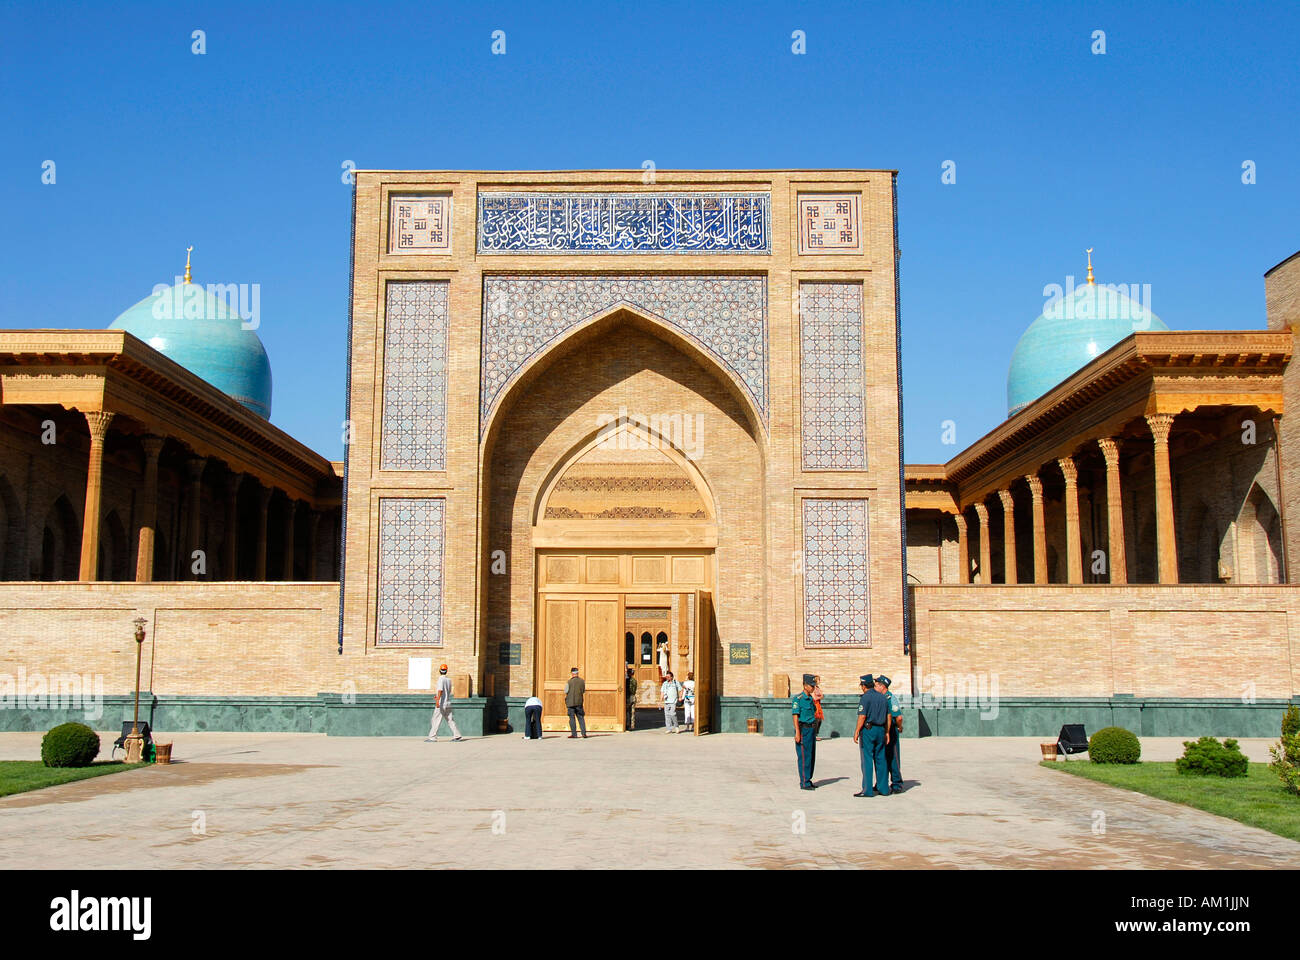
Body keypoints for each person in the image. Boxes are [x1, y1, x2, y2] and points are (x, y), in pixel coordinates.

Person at [853, 674, 890, 796]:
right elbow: (888, 716)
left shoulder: (865, 698)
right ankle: (884, 788)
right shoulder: (883, 697)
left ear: (863, 686)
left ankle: (867, 790)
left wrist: (857, 730)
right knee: (881, 759)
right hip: (881, 729)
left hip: (869, 730)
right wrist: (887, 731)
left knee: (867, 759)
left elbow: (862, 716)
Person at [877, 674, 903, 793]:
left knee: (893, 756)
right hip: (881, 730)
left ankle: (896, 783)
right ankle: (881, 782)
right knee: (881, 757)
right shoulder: (879, 697)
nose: (875, 686)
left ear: (883, 686)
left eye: (877, 684)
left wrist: (899, 727)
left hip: (891, 730)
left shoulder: (890, 698)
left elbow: (898, 717)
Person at [425, 664, 464, 742]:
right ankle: (457, 735)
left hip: (441, 703)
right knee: (450, 720)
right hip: (448, 702)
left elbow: (440, 690)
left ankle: (432, 737)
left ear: (440, 671)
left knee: (435, 719)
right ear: (446, 671)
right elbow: (446, 691)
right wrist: (438, 697)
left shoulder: (441, 679)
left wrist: (437, 700)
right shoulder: (448, 680)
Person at [791, 674, 818, 789]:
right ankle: (804, 781)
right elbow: (795, 716)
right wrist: (797, 732)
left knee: (811, 755)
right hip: (803, 729)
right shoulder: (798, 699)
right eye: (811, 686)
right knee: (804, 756)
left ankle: (808, 778)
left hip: (811, 729)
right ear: (805, 685)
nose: (813, 688)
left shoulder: (811, 699)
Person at [565, 667, 588, 739]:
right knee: (581, 718)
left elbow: (566, 691)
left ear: (572, 673)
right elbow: (583, 691)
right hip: (579, 702)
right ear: (577, 673)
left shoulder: (569, 682)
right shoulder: (582, 681)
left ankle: (574, 734)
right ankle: (583, 733)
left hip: (570, 703)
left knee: (572, 718)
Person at [625, 666, 638, 730]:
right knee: (632, 712)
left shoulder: (627, 680)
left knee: (626, 712)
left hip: (628, 696)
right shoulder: (634, 680)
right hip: (633, 696)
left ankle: (627, 724)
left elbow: (629, 689)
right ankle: (632, 725)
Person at [812, 675, 825, 740]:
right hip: (815, 705)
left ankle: (816, 734)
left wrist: (820, 696)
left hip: (818, 705)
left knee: (819, 720)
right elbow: (814, 697)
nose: (819, 681)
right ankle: (814, 735)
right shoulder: (813, 688)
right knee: (815, 720)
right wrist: (820, 697)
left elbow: (822, 695)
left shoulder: (817, 687)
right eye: (818, 680)